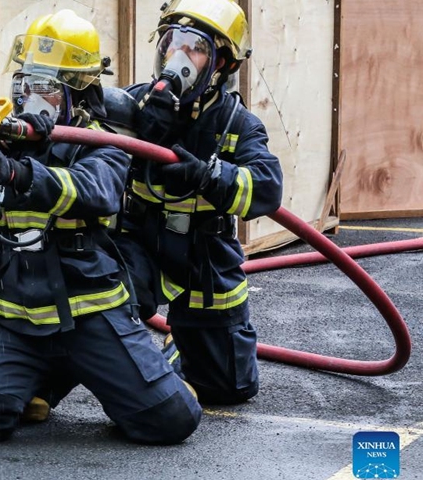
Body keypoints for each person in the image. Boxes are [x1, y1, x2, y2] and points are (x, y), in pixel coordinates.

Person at [0, 9, 201, 444]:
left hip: (89, 316)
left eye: (46, 88)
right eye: (24, 84)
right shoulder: (4, 136)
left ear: (77, 93)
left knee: (169, 421)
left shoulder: (104, 143)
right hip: (11, 316)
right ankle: (43, 377)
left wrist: (21, 173)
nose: (30, 98)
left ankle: (158, 366)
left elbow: (94, 191)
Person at [114, 0, 283, 405]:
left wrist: (210, 176)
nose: (179, 56)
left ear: (222, 63)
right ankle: (43, 382)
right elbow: (84, 134)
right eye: (174, 42)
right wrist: (141, 132)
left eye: (195, 48)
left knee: (229, 389)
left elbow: (267, 188)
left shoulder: (237, 124)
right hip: (137, 238)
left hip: (203, 252)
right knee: (94, 309)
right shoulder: (136, 104)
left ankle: (182, 345)